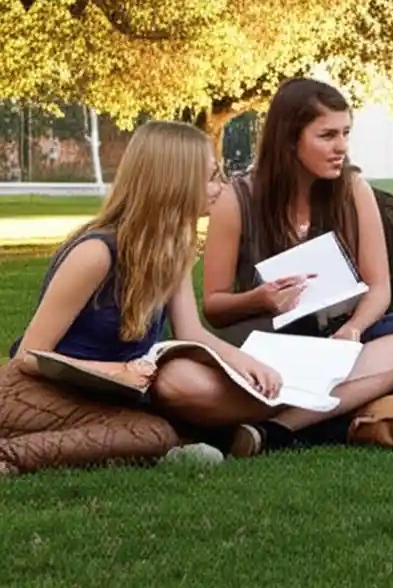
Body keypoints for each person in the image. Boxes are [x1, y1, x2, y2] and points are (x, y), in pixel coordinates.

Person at [150, 78, 393, 456]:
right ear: (289, 140)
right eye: (327, 135)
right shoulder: (237, 199)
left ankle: (274, 430)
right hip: (263, 352)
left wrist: (352, 329)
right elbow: (214, 308)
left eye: (346, 133)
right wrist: (259, 299)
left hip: (337, 345)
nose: (341, 147)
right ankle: (334, 409)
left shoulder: (353, 189)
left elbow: (378, 287)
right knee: (176, 382)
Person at [1, 121, 274, 474]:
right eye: (210, 176)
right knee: (152, 434)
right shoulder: (97, 253)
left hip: (103, 396)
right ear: (173, 181)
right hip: (34, 390)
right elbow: (28, 356)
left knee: (162, 427)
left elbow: (191, 332)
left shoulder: (174, 248)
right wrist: (117, 371)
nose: (221, 186)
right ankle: (10, 456)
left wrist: (244, 362)